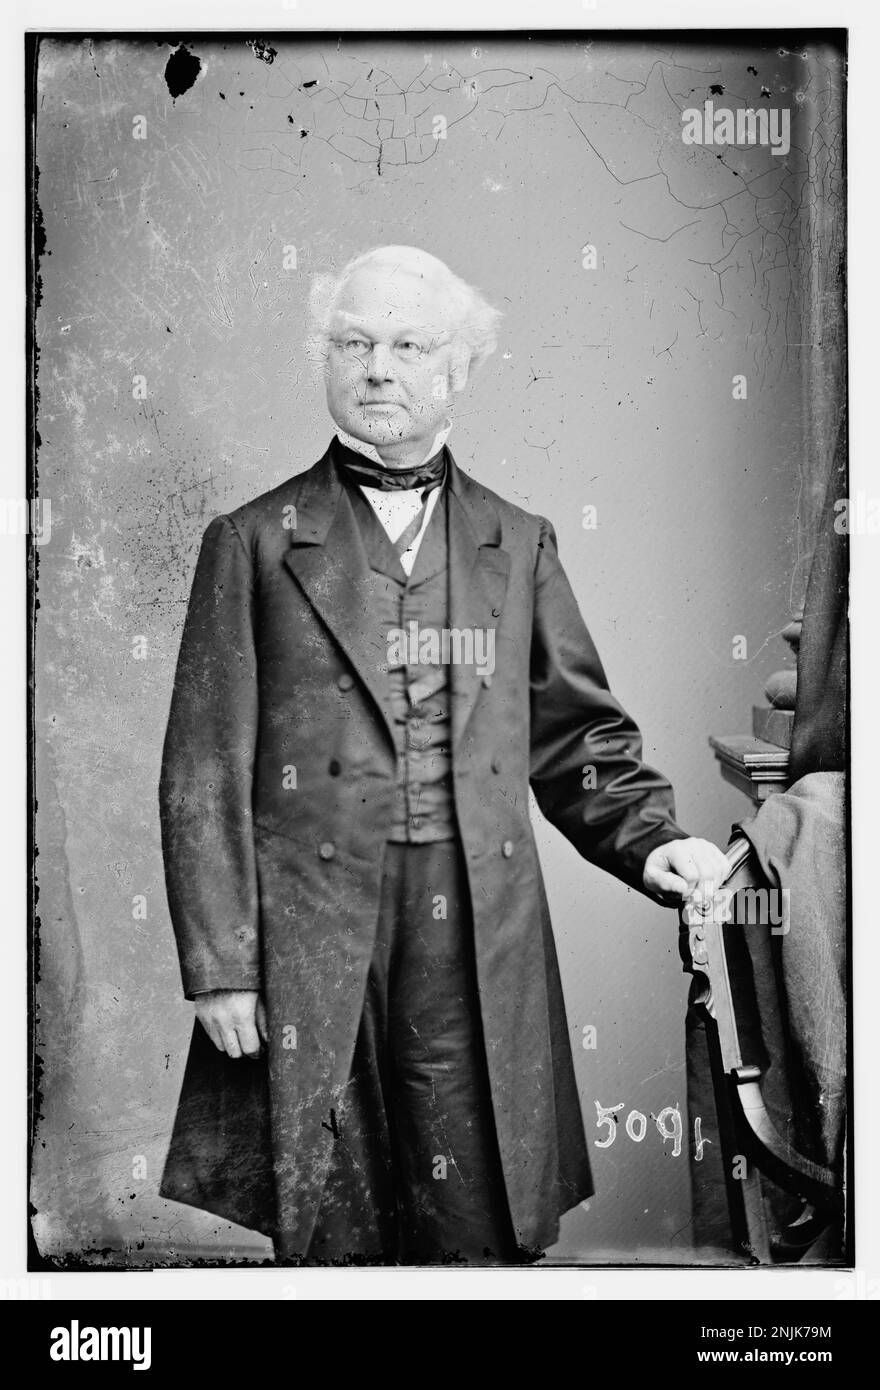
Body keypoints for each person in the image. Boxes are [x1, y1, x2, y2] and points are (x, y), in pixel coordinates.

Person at [158, 245, 728, 1265]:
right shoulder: (248, 540)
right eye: (353, 342)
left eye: (409, 344)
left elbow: (577, 739)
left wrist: (655, 845)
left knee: (477, 1214)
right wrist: (220, 966)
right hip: (311, 935)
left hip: (477, 924)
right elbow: (200, 770)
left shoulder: (522, 540)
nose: (377, 367)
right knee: (330, 1214)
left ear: (459, 369)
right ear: (326, 361)